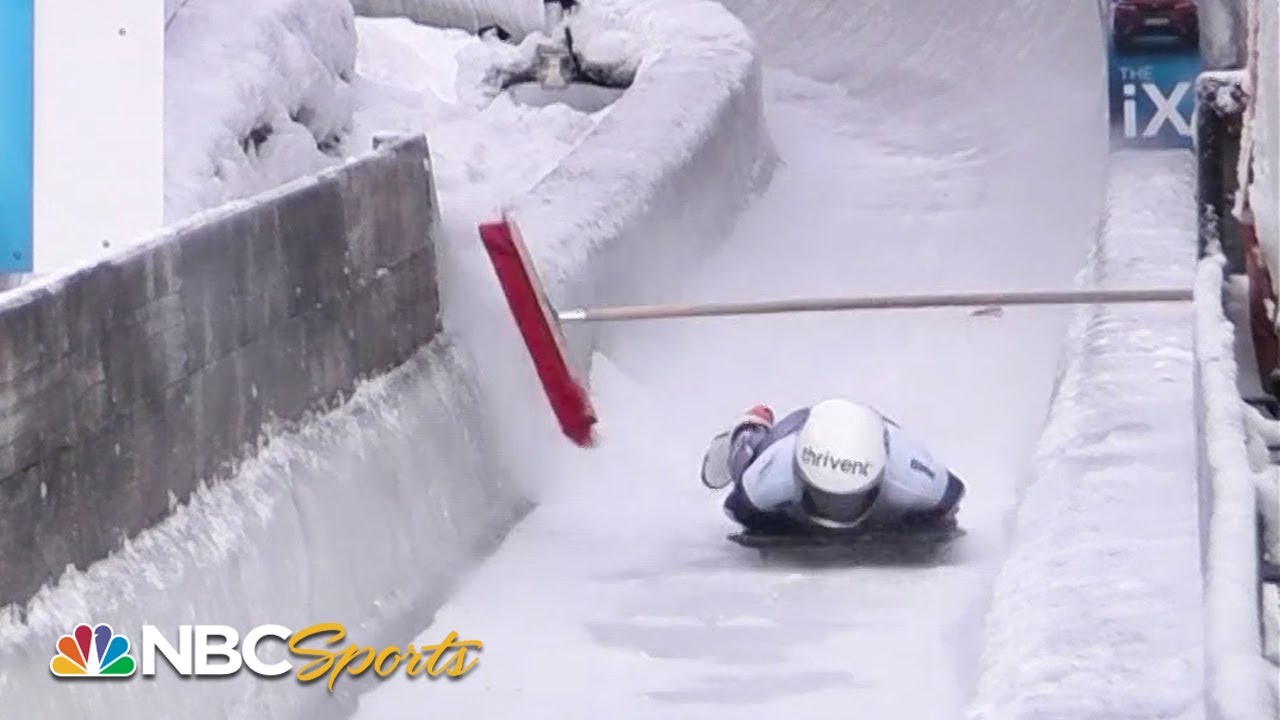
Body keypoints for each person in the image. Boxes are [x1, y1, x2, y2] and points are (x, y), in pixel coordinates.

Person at [700, 398, 966, 535]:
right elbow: (741, 510)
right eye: (823, 497)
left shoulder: (913, 480)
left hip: (884, 436)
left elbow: (951, 499)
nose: (834, 512)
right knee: (744, 465)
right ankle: (751, 425)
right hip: (791, 432)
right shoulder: (771, 477)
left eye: (847, 501)